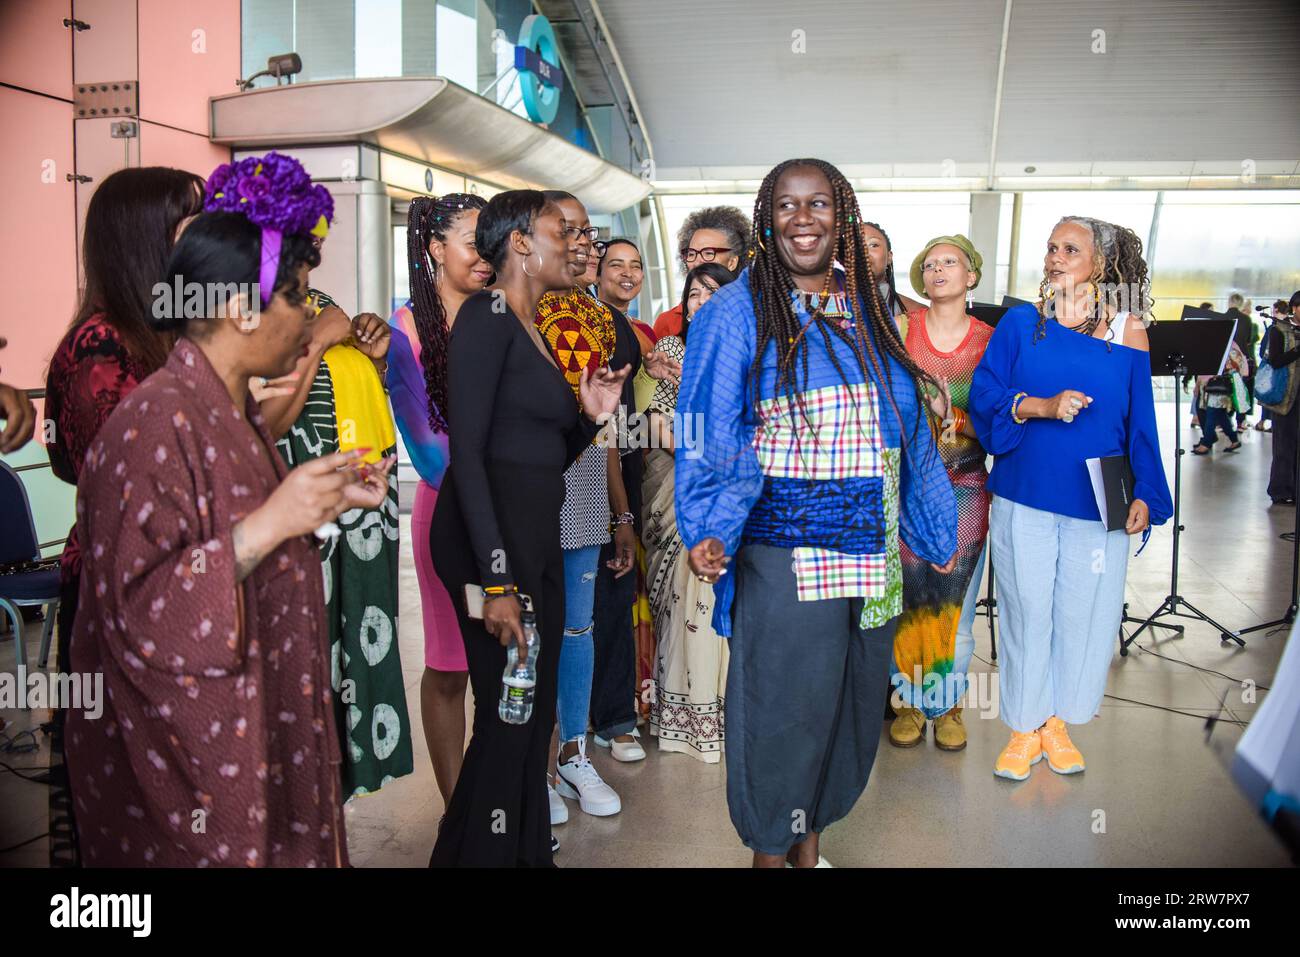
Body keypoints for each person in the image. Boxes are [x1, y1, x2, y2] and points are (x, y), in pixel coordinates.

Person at [65, 155, 394, 866]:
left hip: (266, 717)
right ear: (241, 308)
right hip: (196, 766)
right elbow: (141, 606)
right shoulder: (152, 421)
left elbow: (240, 524)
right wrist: (274, 522)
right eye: (298, 298)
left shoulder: (226, 406)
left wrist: (317, 496)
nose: (310, 317)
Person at [678, 159, 956, 868]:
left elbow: (906, 419)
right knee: (782, 710)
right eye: (787, 205)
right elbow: (708, 422)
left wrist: (929, 516)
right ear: (767, 218)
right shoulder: (737, 311)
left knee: (844, 705)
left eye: (820, 204)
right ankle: (771, 854)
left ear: (843, 215)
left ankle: (808, 850)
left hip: (868, 545)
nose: (804, 218)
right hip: (785, 551)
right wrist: (708, 524)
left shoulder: (865, 305)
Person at [428, 190, 628, 867]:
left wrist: (590, 415)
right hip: (492, 546)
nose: (574, 243)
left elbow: (542, 450)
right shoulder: (485, 320)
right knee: (509, 720)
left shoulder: (531, 323)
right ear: (519, 242)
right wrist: (498, 580)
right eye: (558, 230)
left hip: (534, 534)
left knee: (533, 714)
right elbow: (471, 453)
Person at [969, 215, 1173, 782]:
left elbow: (1140, 422)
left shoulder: (1129, 332)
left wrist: (1149, 494)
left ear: (1101, 264)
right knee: (1026, 610)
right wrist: (1038, 404)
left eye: (1071, 249)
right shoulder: (1019, 325)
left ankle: (1055, 723)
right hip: (1026, 489)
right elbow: (984, 394)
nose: (1055, 257)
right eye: (1052, 247)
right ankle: (1021, 728)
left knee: (1083, 614)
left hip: (1101, 496)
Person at [42, 166, 205, 868]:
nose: (203, 239)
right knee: (123, 801)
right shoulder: (100, 345)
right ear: (146, 239)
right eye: (188, 223)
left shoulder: (166, 333)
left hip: (175, 589)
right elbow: (117, 476)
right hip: (117, 596)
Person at [387, 193, 490, 812]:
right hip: (448, 513)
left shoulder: (500, 313)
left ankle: (505, 801)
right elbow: (425, 448)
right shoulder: (404, 330)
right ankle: (459, 814)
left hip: (508, 513)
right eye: (474, 243)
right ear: (435, 247)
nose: (486, 257)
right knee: (450, 666)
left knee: (510, 671)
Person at [532, 191, 628, 820]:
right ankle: (531, 767)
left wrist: (621, 514)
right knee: (532, 629)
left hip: (587, 477)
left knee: (578, 625)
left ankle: (572, 753)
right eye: (564, 229)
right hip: (533, 479)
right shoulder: (514, 310)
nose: (581, 242)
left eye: (586, 231)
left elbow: (604, 424)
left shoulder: (598, 320)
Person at [888, 236, 993, 752]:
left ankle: (948, 704)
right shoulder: (901, 330)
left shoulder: (992, 341)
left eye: (949, 262)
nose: (938, 270)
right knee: (910, 597)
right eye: (929, 264)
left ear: (971, 276)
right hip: (906, 481)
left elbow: (1000, 421)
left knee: (955, 602)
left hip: (966, 483)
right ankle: (907, 700)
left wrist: (950, 415)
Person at [643, 262, 736, 762]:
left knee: (718, 592)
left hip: (732, 490)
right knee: (682, 596)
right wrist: (700, 459)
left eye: (713, 291)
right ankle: (684, 715)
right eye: (694, 292)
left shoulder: (745, 350)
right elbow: (656, 422)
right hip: (681, 486)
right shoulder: (674, 351)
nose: (702, 300)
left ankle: (724, 712)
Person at [653, 206, 751, 338]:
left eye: (708, 253)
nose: (697, 261)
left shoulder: (755, 315)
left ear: (732, 262)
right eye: (691, 253)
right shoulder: (667, 322)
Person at [1265, 291, 1300, 505]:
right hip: (1285, 398)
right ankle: (1280, 490)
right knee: (1284, 446)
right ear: (1294, 307)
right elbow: (1275, 361)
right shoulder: (1278, 330)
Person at [1191, 338, 1248, 455]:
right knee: (1221, 416)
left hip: (1216, 386)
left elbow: (1208, 368)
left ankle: (1206, 443)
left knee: (1211, 414)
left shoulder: (1223, 345)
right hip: (1219, 386)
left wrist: (1198, 384)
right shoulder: (1230, 344)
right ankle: (1234, 440)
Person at [862, 221, 925, 318]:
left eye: (873, 245)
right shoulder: (831, 305)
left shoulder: (917, 314)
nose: (864, 252)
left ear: (889, 257)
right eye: (855, 246)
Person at [1225, 292, 1258, 429]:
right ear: (1240, 303)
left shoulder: (1222, 318)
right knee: (1240, 390)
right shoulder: (1246, 319)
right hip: (1241, 359)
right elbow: (1249, 340)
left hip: (1226, 360)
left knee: (1225, 390)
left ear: (1229, 302)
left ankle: (1225, 420)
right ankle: (1240, 422)